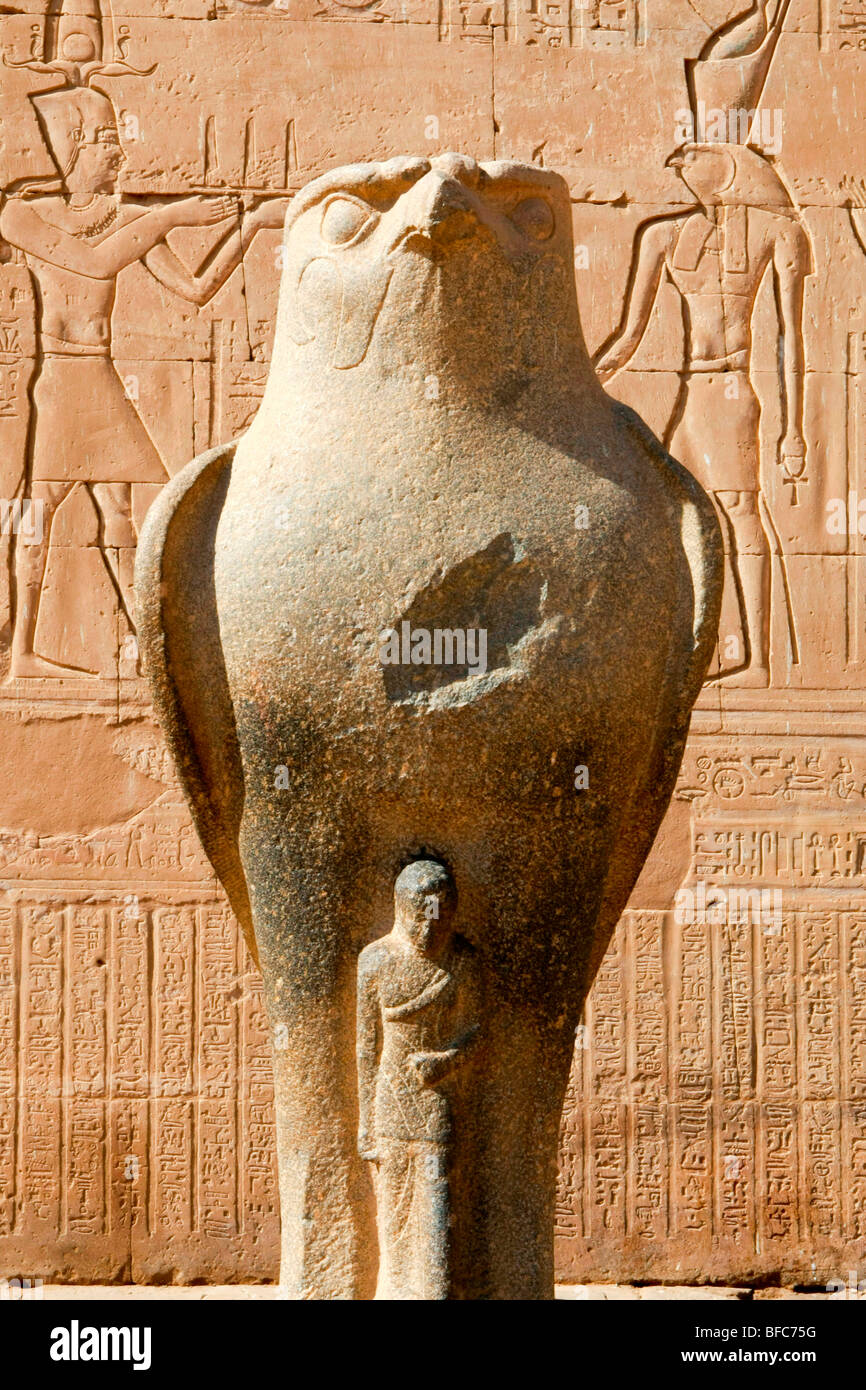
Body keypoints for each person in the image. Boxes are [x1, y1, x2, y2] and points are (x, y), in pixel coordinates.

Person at [0, 83, 285, 677]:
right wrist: (171, 215)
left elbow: (196, 290)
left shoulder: (130, 219)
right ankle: (23, 651)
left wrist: (252, 224)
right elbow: (92, 261)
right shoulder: (26, 214)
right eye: (105, 140)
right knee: (40, 510)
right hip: (59, 381)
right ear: (72, 145)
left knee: (122, 515)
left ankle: (148, 651)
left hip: (99, 376)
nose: (118, 152)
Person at [594, 142, 811, 686]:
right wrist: (585, 382)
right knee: (676, 513)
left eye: (697, 156)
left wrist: (794, 430)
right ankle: (691, 648)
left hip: (734, 393)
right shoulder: (664, 236)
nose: (683, 166)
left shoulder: (773, 231)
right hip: (694, 393)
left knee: (739, 512)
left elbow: (790, 338)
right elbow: (628, 336)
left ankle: (757, 661)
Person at [356, 859, 480, 1299]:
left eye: (438, 921)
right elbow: (366, 1047)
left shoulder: (462, 961)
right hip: (389, 1098)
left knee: (434, 1211)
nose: (428, 932)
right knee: (393, 1215)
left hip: (433, 1104)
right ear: (400, 912)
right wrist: (365, 1122)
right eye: (418, 921)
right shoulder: (375, 962)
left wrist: (447, 1060)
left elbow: (479, 1031)